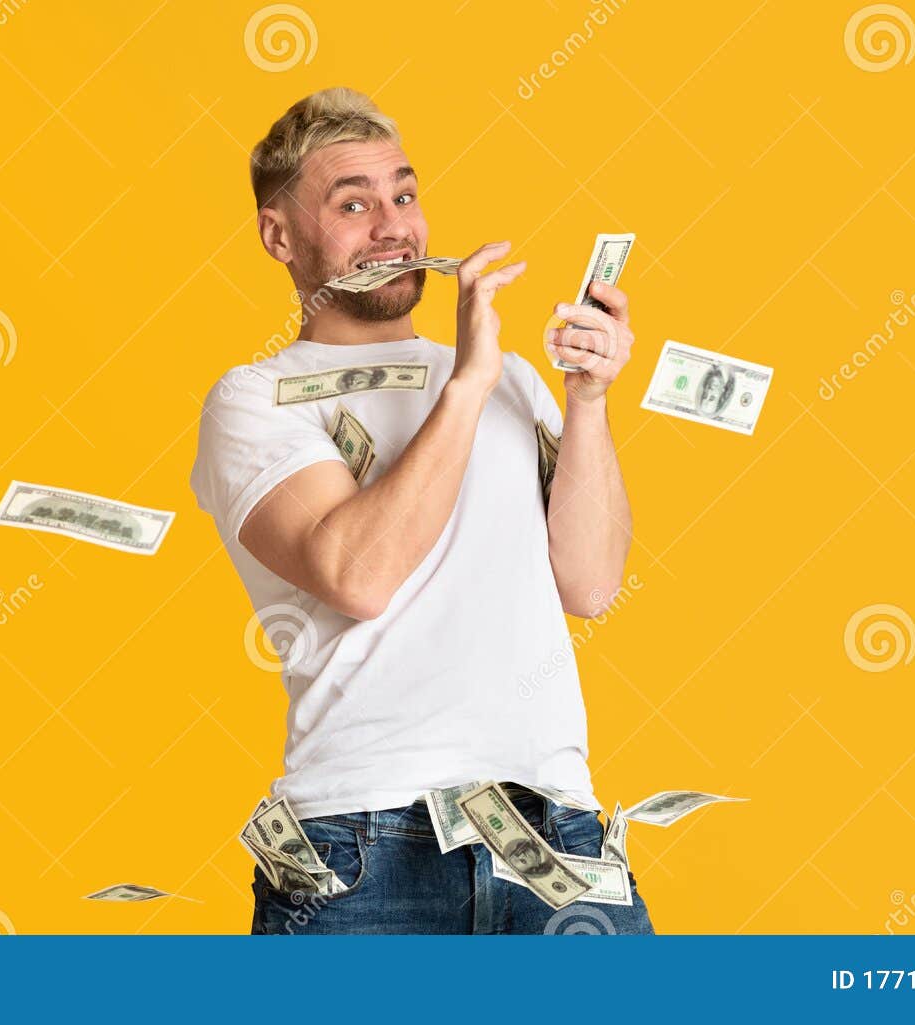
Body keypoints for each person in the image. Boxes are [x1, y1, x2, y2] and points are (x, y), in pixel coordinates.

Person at [189, 87, 652, 934]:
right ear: (278, 236)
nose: (393, 226)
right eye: (354, 204)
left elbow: (590, 582)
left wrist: (586, 401)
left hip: (554, 828)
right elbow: (358, 576)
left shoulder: (512, 381)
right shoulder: (256, 399)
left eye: (403, 195)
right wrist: (468, 382)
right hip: (365, 843)